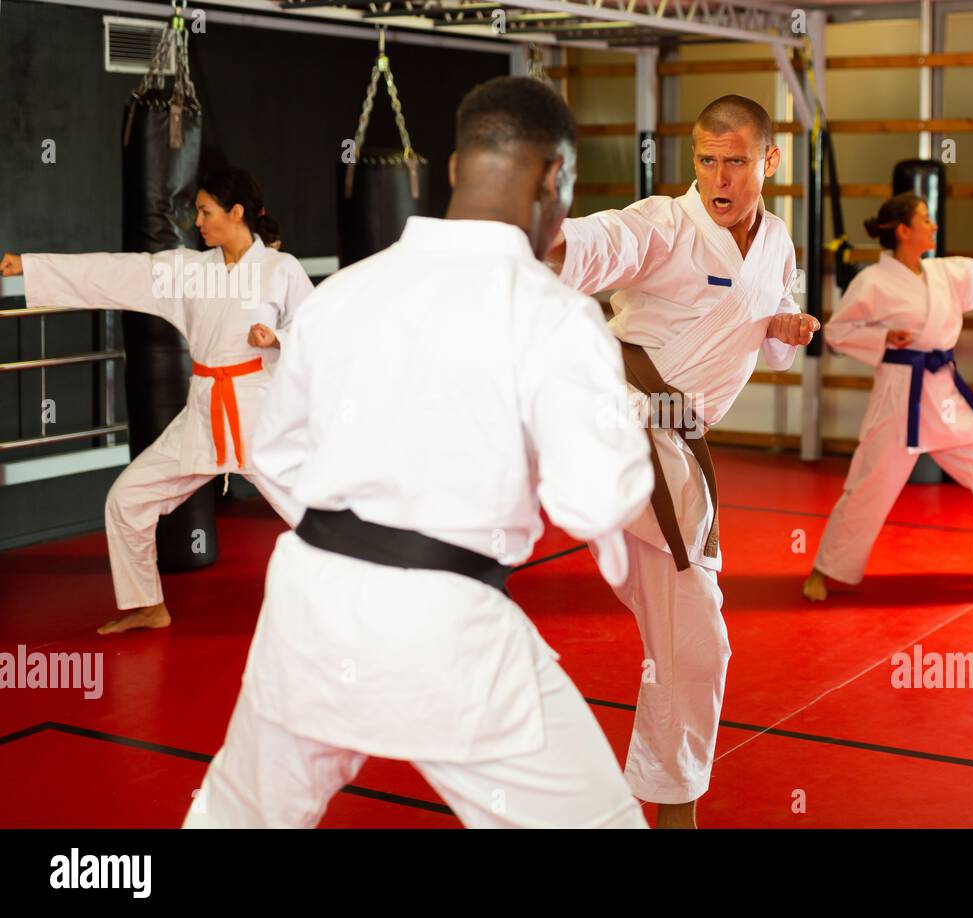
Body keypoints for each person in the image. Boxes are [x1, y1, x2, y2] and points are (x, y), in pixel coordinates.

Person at [183, 76, 655, 829]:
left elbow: (272, 451)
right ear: (556, 179)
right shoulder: (555, 316)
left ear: (457, 167)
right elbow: (594, 498)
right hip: (447, 625)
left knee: (236, 816)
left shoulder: (343, 292)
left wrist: (364, 523)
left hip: (310, 602)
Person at [548, 94, 820, 828]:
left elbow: (772, 338)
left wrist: (785, 324)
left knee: (690, 641)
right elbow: (603, 241)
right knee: (696, 635)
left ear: (770, 160)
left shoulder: (776, 242)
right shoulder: (666, 224)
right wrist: (544, 236)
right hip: (617, 419)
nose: (719, 178)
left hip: (670, 447)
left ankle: (673, 803)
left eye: (736, 161)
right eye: (706, 160)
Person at [1, 168, 311, 634]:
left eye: (206, 212)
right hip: (204, 412)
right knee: (127, 499)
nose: (198, 222)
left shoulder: (280, 269)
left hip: (259, 416)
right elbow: (117, 273)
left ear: (236, 213)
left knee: (315, 514)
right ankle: (147, 605)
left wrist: (277, 338)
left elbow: (316, 328)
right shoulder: (189, 270)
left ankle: (364, 601)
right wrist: (32, 265)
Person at [803, 194, 973, 602]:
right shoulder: (872, 282)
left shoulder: (946, 272)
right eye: (926, 219)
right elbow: (838, 332)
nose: (934, 226)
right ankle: (823, 571)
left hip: (944, 395)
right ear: (903, 231)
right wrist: (882, 337)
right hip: (900, 395)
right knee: (869, 485)